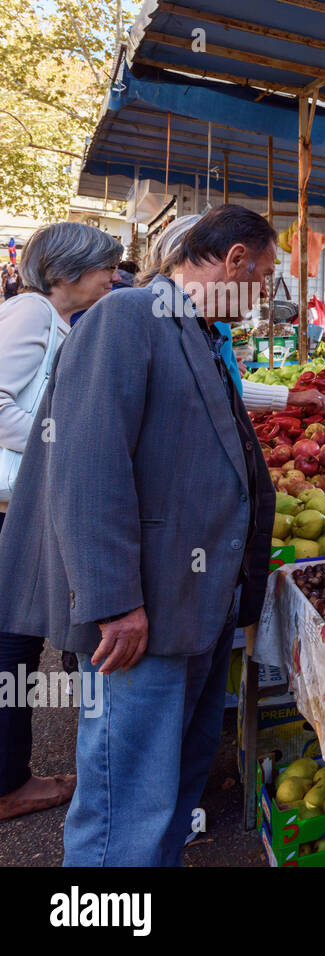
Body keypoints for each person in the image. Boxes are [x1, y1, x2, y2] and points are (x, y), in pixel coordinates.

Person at [0, 205, 279, 865]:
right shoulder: (128, 320)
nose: (263, 294)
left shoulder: (198, 335)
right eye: (263, 277)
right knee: (123, 800)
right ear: (234, 259)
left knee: (167, 793)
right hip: (144, 613)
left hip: (193, 608)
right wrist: (111, 601)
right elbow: (87, 468)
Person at [0, 221, 121, 823]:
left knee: (17, 638)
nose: (114, 277)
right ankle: (8, 782)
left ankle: (10, 774)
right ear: (64, 273)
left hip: (23, 502)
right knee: (11, 641)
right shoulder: (29, 312)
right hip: (7, 507)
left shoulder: (64, 323)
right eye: (106, 266)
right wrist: (65, 442)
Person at [138, 216, 325, 416]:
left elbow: (222, 392)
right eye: (264, 275)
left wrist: (288, 397)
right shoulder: (138, 315)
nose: (264, 291)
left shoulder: (216, 327)